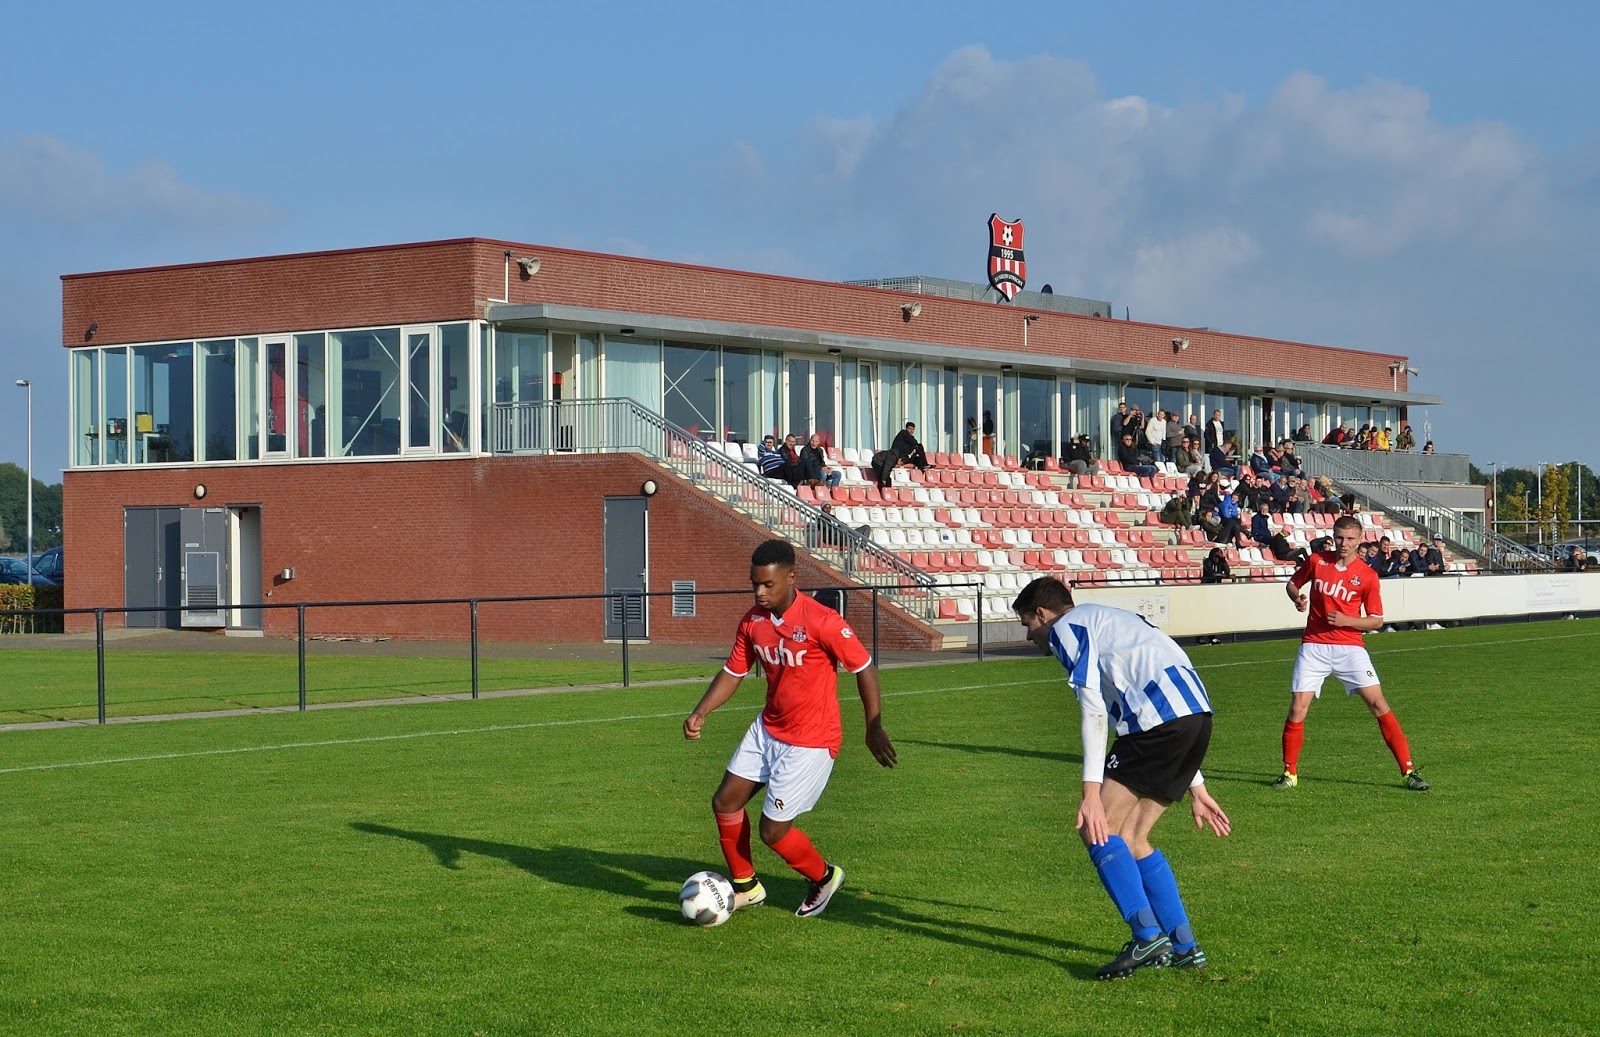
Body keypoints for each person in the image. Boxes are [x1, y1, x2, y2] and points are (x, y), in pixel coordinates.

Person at [1012, 576, 1230, 979]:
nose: (1031, 636)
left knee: (1097, 827)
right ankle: (1185, 946)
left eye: (1028, 624)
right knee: (1132, 838)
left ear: (1042, 614)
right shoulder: (1108, 619)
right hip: (1196, 717)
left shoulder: (1067, 628)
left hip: (1156, 723)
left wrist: (1090, 793)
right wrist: (1195, 784)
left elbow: (1093, 708)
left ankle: (1148, 937)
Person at [684, 539, 897, 918]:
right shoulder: (752, 621)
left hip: (810, 741)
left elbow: (864, 668)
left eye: (767, 585)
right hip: (768, 730)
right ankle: (747, 886)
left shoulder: (822, 620)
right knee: (725, 802)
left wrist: (873, 726)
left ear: (791, 578)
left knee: (773, 832)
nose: (759, 592)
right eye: (754, 584)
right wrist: (702, 712)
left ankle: (825, 877)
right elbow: (734, 672)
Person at [1275, 516, 1430, 791]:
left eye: (1349, 539)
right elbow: (1292, 584)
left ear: (1359, 540)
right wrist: (1296, 597)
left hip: (1350, 648)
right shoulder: (1316, 561)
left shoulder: (1367, 576)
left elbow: (1377, 620)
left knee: (1378, 705)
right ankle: (1289, 774)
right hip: (1314, 645)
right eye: (1339, 538)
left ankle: (1408, 771)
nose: (1343, 544)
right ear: (1333, 536)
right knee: (1298, 708)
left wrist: (1348, 621)